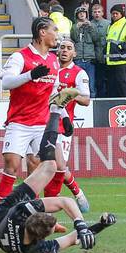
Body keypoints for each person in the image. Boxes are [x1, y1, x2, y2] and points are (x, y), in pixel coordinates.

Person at [0, 158, 116, 253]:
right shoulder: (34, 250)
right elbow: (71, 239)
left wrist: (83, 227)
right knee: (51, 166)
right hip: (2, 233)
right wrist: (101, 225)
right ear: (41, 236)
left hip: (1, 215)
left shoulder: (20, 212)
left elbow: (65, 204)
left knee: (49, 167)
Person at [0, 16, 59, 204]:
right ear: (42, 32)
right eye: (54, 30)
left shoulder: (53, 60)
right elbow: (6, 82)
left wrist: (62, 117)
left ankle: (34, 214)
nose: (57, 35)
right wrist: (30, 75)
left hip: (42, 124)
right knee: (12, 166)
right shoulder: (20, 56)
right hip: (19, 122)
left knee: (40, 168)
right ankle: (0, 215)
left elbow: (53, 93)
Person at [48, 37, 92, 212]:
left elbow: (86, 100)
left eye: (69, 48)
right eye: (62, 47)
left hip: (62, 126)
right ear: (57, 51)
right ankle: (46, 207)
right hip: (42, 122)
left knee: (59, 167)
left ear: (74, 53)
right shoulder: (50, 68)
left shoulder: (79, 73)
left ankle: (77, 192)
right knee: (41, 166)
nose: (65, 50)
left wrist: (70, 94)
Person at [104, 4, 126, 98]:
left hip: (121, 59)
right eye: (113, 14)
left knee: (121, 83)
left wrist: (121, 47)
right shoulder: (111, 25)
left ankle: (124, 101)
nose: (114, 15)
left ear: (121, 14)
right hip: (110, 61)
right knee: (112, 85)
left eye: (116, 13)